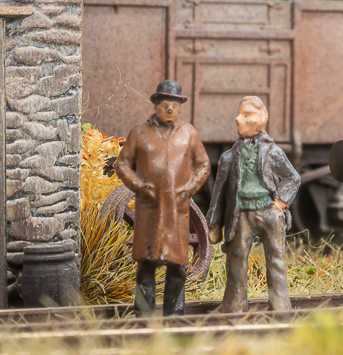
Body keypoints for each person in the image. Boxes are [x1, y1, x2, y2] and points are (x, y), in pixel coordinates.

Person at [114, 80, 210, 316]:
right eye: (165, 104)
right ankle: (143, 314)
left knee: (177, 265)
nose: (169, 110)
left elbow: (204, 164)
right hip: (149, 209)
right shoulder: (139, 132)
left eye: (174, 106)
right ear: (156, 105)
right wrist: (138, 185)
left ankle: (175, 313)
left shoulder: (189, 133)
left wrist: (190, 187)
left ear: (180, 108)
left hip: (177, 210)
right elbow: (122, 164)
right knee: (146, 263)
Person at [206, 96, 301, 312]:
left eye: (247, 114)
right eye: (240, 114)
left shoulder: (274, 152)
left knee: (276, 261)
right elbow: (219, 194)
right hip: (241, 215)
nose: (238, 119)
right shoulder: (229, 157)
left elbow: (293, 178)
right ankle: (234, 305)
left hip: (270, 213)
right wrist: (214, 224)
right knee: (236, 261)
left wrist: (281, 203)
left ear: (261, 119)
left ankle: (280, 307)